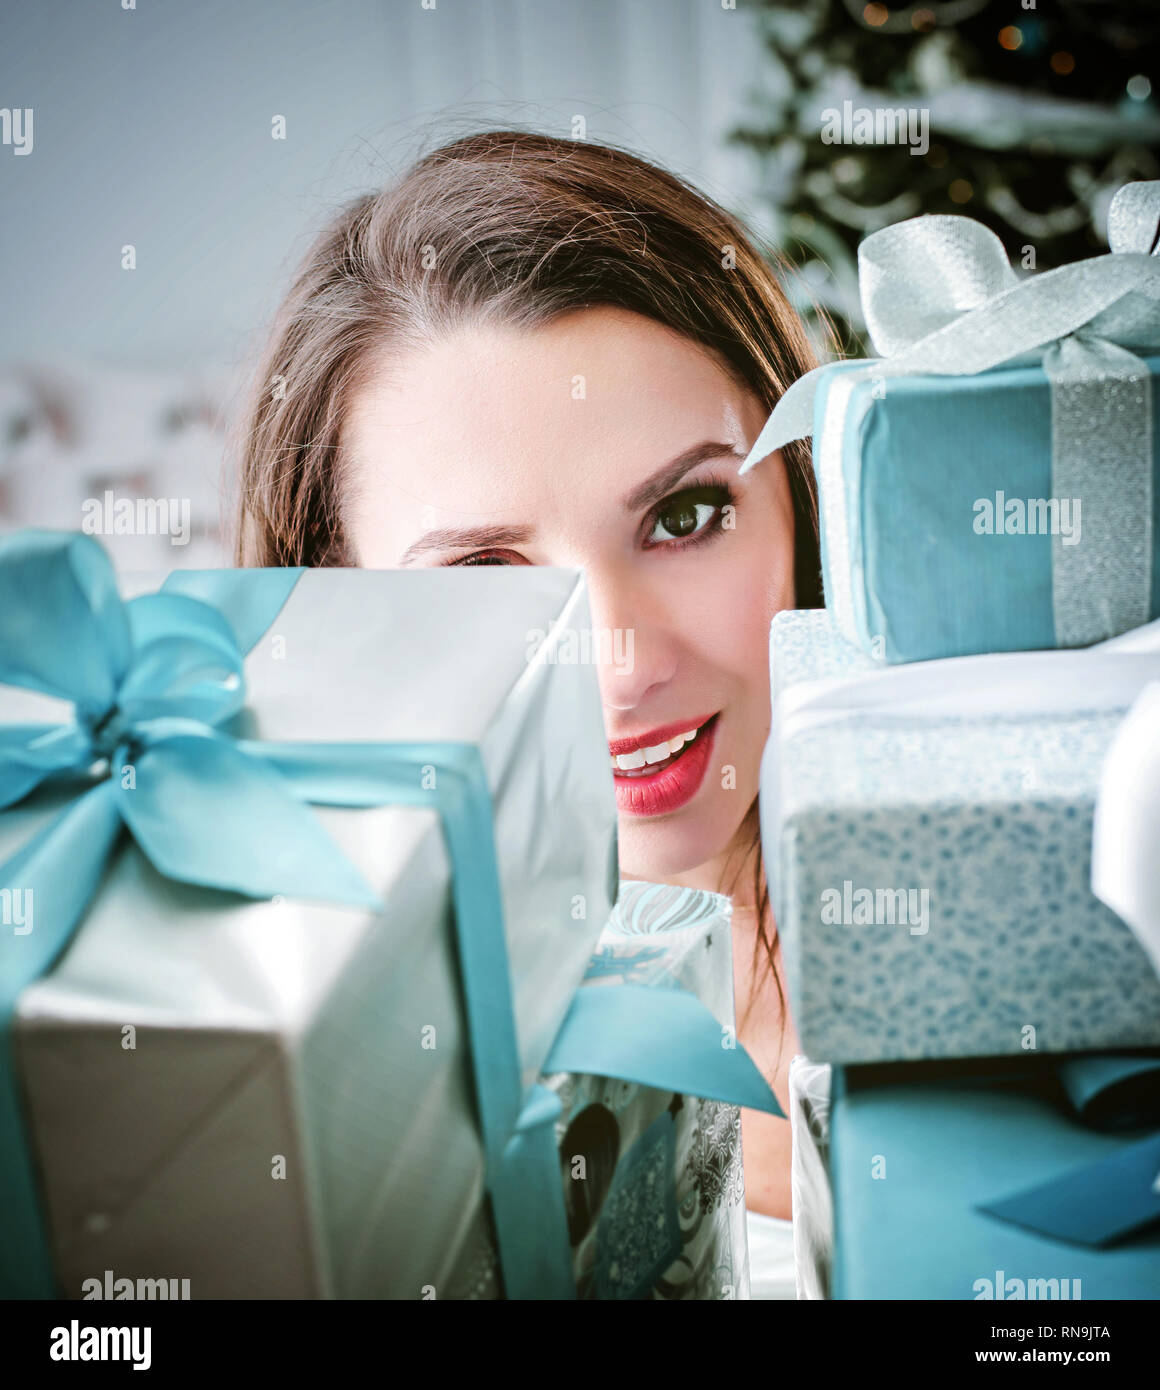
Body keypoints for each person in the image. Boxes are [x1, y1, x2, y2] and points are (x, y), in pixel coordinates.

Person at [233, 129, 826, 1299]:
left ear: (805, 497)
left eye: (686, 515)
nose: (618, 664)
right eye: (486, 578)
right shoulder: (295, 1106)